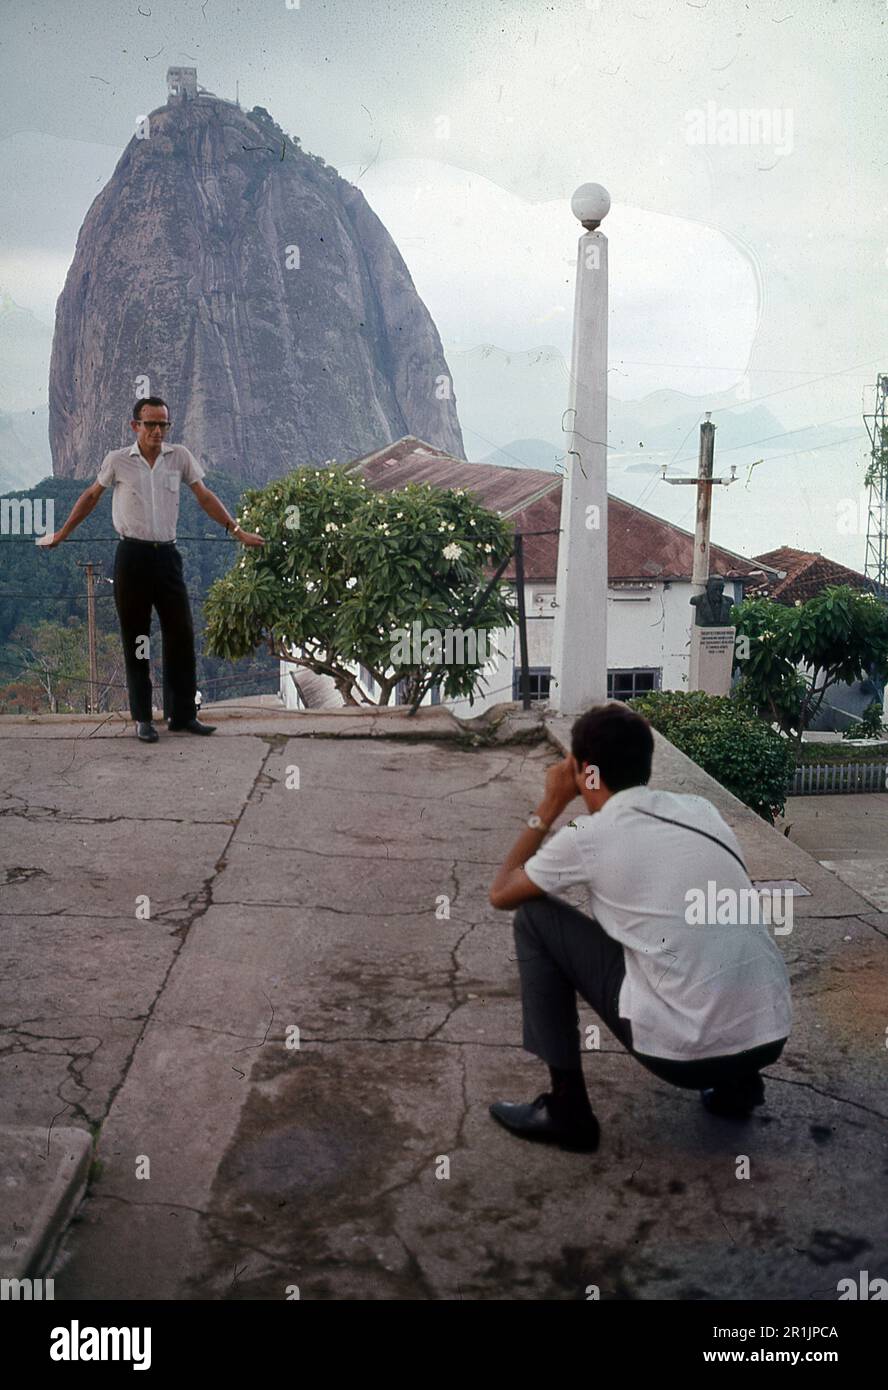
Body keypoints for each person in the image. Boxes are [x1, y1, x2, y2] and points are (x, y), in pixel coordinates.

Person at [487, 701, 791, 1152]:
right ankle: (737, 1086)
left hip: (682, 1057)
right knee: (697, 928)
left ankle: (568, 1112)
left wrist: (549, 804)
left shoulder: (587, 836)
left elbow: (502, 891)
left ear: (584, 772)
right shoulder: (701, 810)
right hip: (768, 1033)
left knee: (534, 918)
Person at [41, 397, 264, 742]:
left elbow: (204, 496)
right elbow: (90, 496)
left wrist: (238, 531)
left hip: (168, 557)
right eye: (150, 424)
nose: (158, 431)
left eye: (163, 424)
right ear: (135, 426)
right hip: (132, 558)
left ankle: (183, 716)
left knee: (181, 634)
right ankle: (143, 718)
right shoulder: (118, 461)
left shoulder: (180, 458)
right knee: (139, 638)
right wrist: (62, 534)